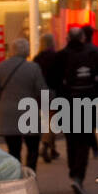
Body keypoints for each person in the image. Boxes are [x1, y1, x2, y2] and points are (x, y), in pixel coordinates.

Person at [53, 26, 98, 194]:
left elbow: (53, 81)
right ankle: (78, 175)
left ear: (68, 38)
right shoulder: (95, 53)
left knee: (71, 139)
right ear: (83, 38)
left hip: (67, 102)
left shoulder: (61, 56)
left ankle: (74, 172)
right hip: (87, 102)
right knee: (84, 140)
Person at [0, 38, 46, 172]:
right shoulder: (33, 68)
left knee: (13, 150)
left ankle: (17, 177)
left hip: (8, 115)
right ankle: (31, 175)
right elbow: (42, 91)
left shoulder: (1, 67)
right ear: (27, 51)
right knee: (33, 149)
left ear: (11, 51)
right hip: (29, 114)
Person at [81, 23, 98, 158]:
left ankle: (89, 146)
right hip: (93, 92)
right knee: (88, 120)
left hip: (79, 92)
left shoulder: (78, 52)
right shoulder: (97, 51)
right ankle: (92, 146)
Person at [33, 32, 59, 161]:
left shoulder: (37, 58)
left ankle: (53, 149)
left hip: (40, 93)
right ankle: (45, 145)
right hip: (53, 92)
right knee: (52, 121)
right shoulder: (56, 57)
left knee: (48, 120)